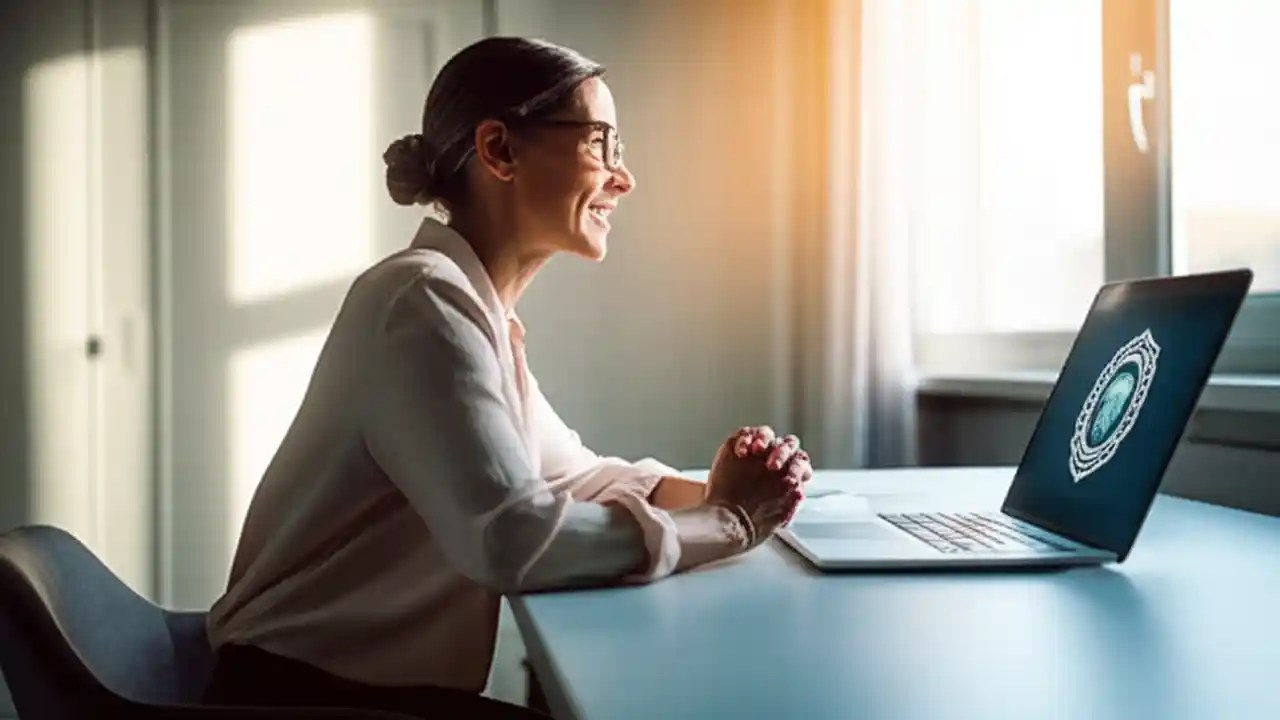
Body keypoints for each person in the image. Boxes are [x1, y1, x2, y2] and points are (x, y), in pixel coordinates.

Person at [202, 36, 812, 719]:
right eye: (601, 143)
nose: (623, 177)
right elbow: (514, 538)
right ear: (499, 150)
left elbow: (571, 478)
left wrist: (731, 492)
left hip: (340, 689)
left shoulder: (471, 309)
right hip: (294, 698)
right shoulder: (422, 303)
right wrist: (727, 521)